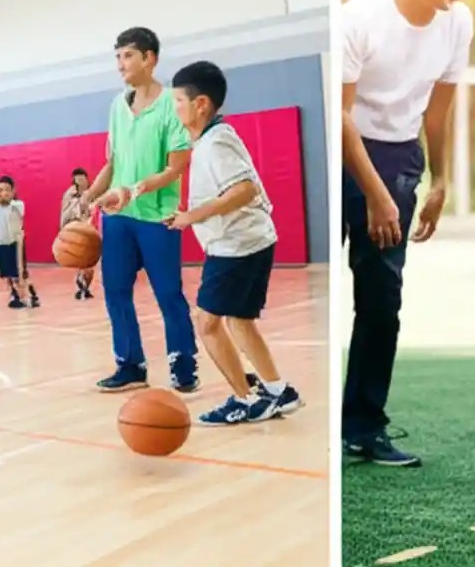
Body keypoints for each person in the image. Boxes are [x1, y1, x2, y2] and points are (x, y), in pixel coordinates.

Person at [341, 0, 473, 467]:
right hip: (347, 148)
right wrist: (374, 194)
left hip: (399, 157)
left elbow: (438, 110)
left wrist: (440, 178)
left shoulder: (457, 22)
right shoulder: (359, 18)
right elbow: (341, 115)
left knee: (381, 298)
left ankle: (364, 427)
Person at [166, 60, 303, 425]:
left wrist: (193, 217)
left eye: (178, 100)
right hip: (247, 242)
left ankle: (244, 398)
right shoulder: (212, 139)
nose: (173, 107)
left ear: (201, 105)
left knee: (208, 324)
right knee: (240, 320)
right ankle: (276, 390)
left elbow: (245, 189)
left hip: (237, 247)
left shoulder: (217, 141)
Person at [80, 27, 199, 393]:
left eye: (127, 56)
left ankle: (183, 363)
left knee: (168, 294)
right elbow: (112, 164)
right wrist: (88, 197)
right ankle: (130, 364)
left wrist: (135, 190)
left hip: (156, 218)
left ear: (150, 58)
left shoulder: (173, 105)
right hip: (118, 219)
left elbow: (176, 166)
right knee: (115, 290)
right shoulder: (118, 106)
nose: (120, 65)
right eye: (117, 57)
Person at [0, 176, 39, 309]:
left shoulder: (17, 205)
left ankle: (31, 295)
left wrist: (3, 201)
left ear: (13, 191)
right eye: (0, 190)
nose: (4, 193)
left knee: (20, 273)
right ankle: (14, 294)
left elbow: (17, 211)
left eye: (7, 190)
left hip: (15, 244)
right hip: (1, 243)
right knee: (7, 274)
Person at [61, 168, 96, 300]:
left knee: (90, 265)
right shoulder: (69, 196)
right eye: (78, 180)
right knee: (83, 262)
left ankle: (85, 285)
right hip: (77, 231)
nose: (81, 182)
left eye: (83, 179)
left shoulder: (93, 193)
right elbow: (64, 215)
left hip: (91, 231)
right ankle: (81, 285)